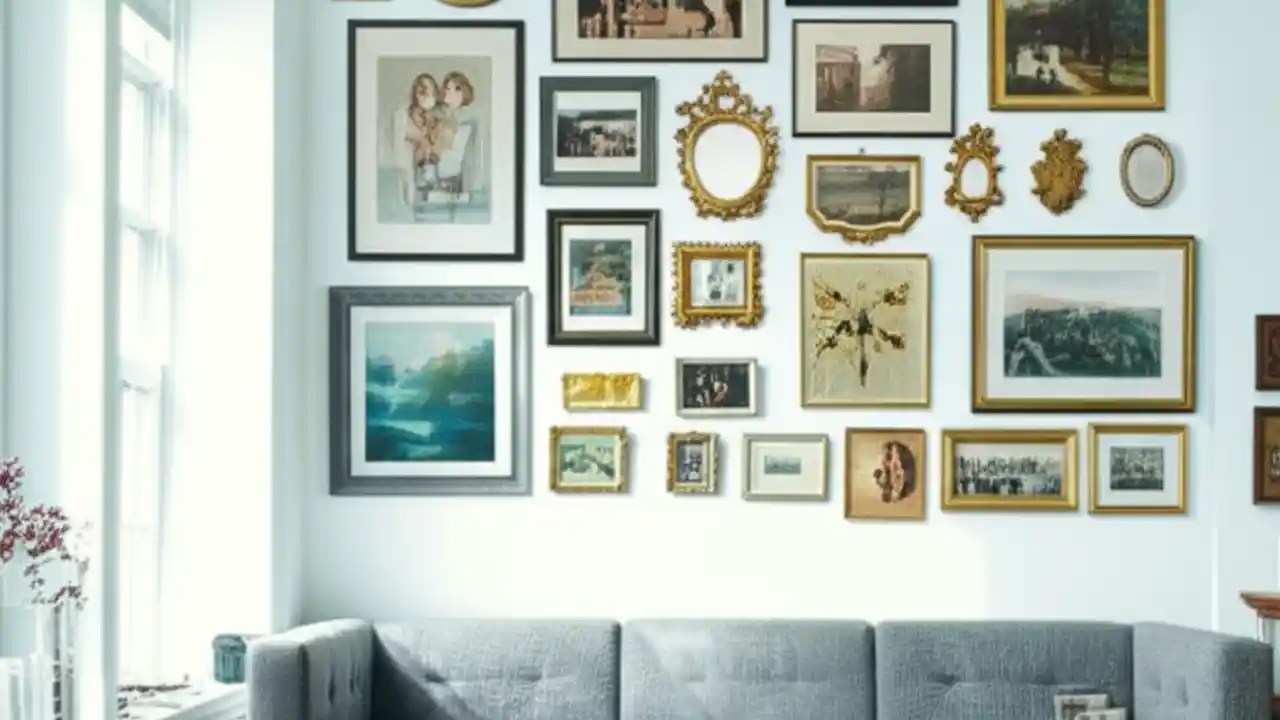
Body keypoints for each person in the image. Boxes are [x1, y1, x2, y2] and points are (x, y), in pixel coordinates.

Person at [391, 73, 444, 206]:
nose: (425, 97)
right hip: (409, 172)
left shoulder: (438, 118)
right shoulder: (403, 116)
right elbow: (401, 147)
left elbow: (438, 147)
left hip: (430, 171)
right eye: (422, 92)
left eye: (431, 93)